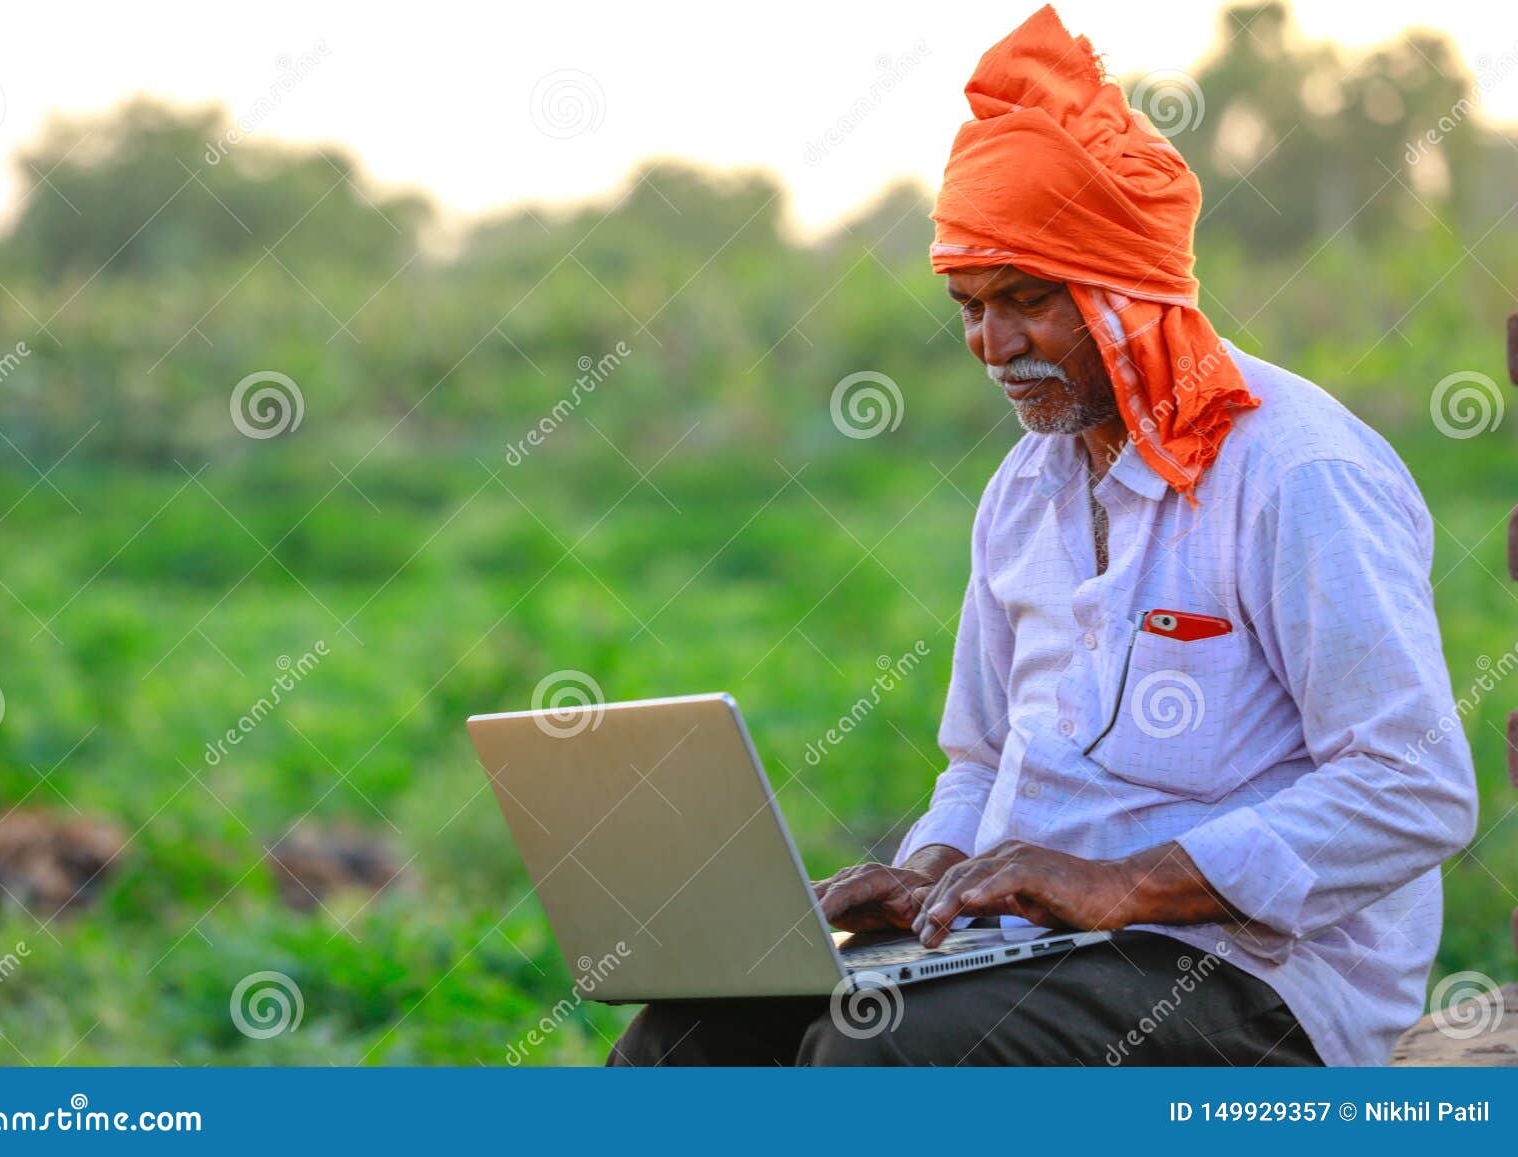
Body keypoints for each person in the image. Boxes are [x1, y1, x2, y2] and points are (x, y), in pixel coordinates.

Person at [608, 4, 1477, 1067]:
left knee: (879, 1052)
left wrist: (1125, 882)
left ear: (1129, 294)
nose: (992, 343)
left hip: (1255, 982)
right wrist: (928, 868)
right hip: (1035, 952)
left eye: (1026, 298)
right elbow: (980, 762)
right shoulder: (1027, 487)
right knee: (688, 1032)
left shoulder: (1300, 473)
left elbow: (1416, 785)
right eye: (970, 304)